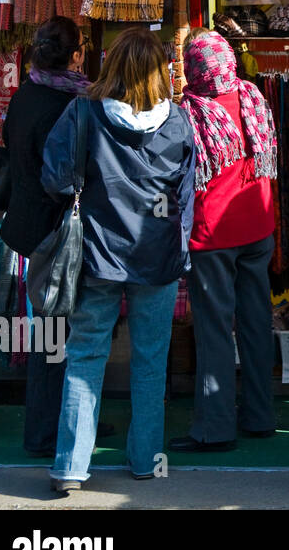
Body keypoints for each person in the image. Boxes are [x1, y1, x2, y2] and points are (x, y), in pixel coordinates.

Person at [43, 26, 196, 494]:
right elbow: (185, 198)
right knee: (151, 362)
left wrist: (87, 195)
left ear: (111, 67)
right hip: (157, 255)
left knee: (86, 357)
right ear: (160, 73)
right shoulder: (178, 122)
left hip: (96, 253)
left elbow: (55, 177)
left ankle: (70, 467)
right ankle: (146, 461)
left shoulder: (83, 112)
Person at [168, 31, 278, 454]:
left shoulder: (189, 112)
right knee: (255, 323)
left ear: (194, 70)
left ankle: (214, 428)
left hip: (213, 234)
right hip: (257, 226)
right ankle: (260, 416)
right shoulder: (253, 97)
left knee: (214, 331)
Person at [0, 17, 91, 457]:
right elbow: (68, 175)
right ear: (75, 56)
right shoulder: (71, 103)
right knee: (60, 335)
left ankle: (56, 427)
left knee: (53, 332)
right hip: (58, 233)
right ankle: (48, 433)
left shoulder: (24, 96)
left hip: (33, 228)